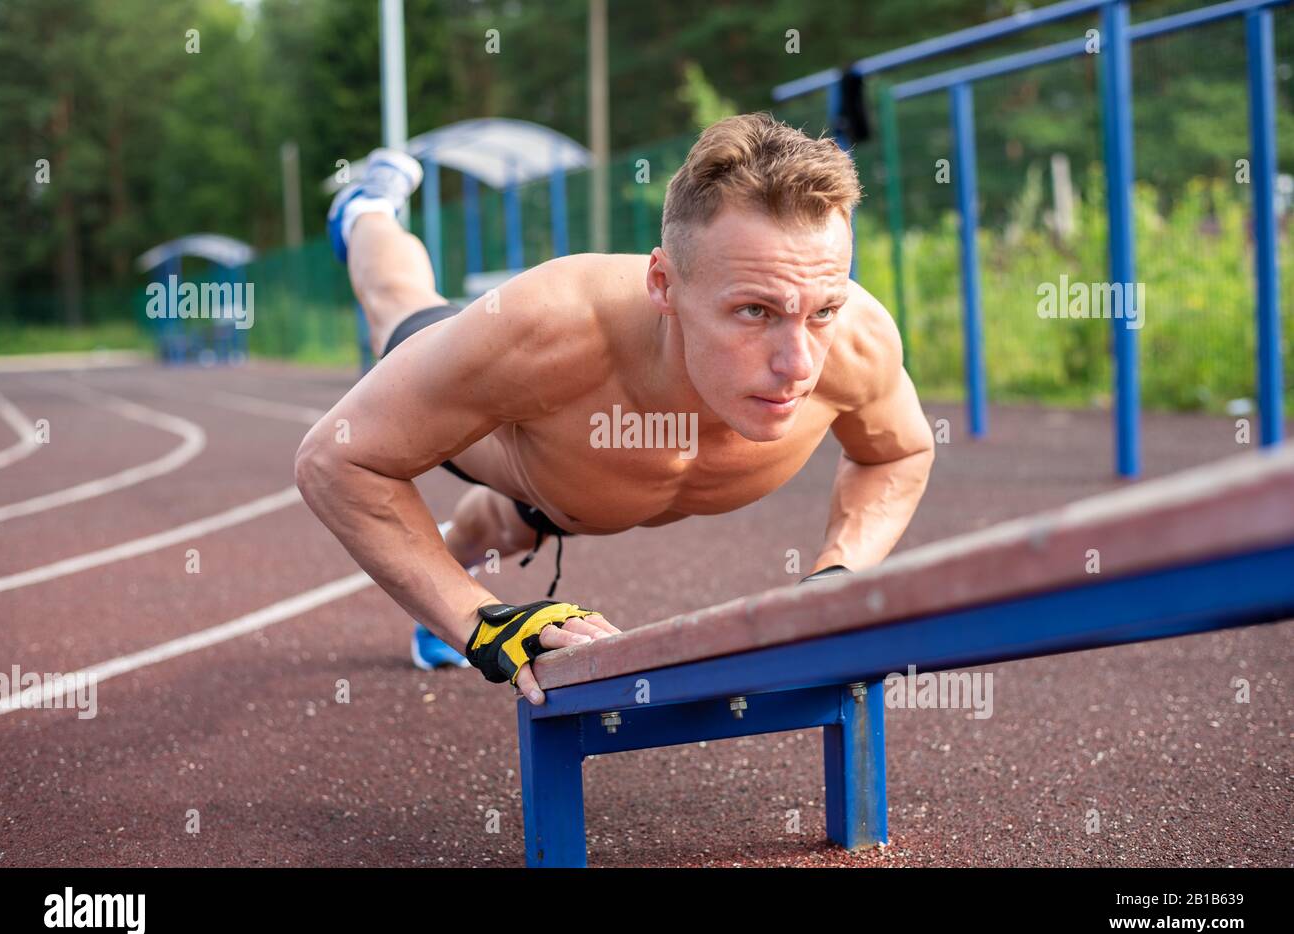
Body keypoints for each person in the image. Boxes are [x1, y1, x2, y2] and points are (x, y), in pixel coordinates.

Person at [296, 112, 935, 706]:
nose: (798, 363)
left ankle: (462, 554)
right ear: (662, 283)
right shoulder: (547, 330)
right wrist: (478, 621)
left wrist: (838, 577)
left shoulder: (858, 342)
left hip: (574, 485)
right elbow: (336, 459)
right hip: (522, 448)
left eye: (822, 309)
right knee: (399, 301)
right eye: (754, 311)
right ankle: (366, 209)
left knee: (509, 527)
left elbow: (898, 450)